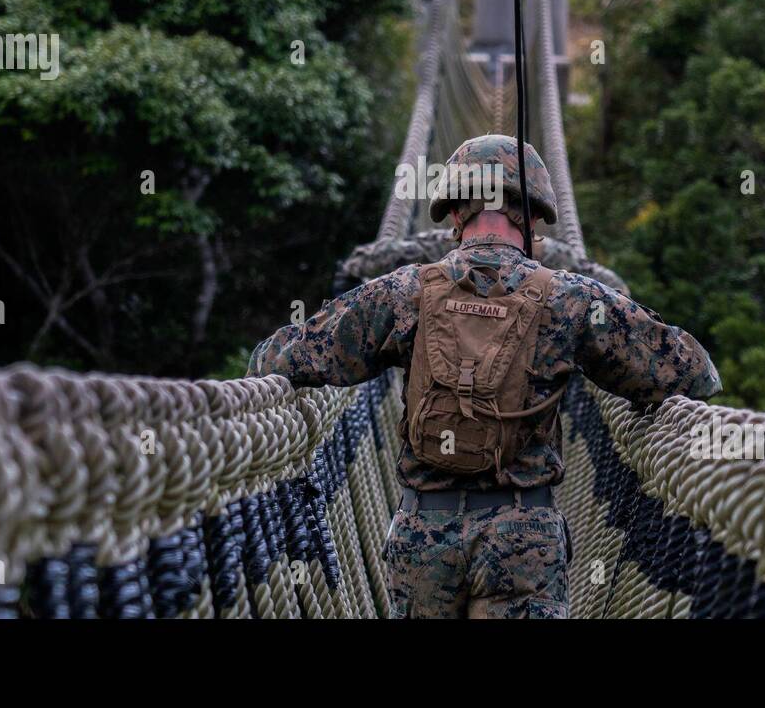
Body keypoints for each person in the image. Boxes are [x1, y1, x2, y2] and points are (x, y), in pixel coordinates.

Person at [248, 134, 721, 618]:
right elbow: (693, 373)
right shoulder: (572, 299)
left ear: (455, 214)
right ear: (535, 217)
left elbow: (281, 358)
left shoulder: (405, 291)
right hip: (524, 540)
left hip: (421, 537)